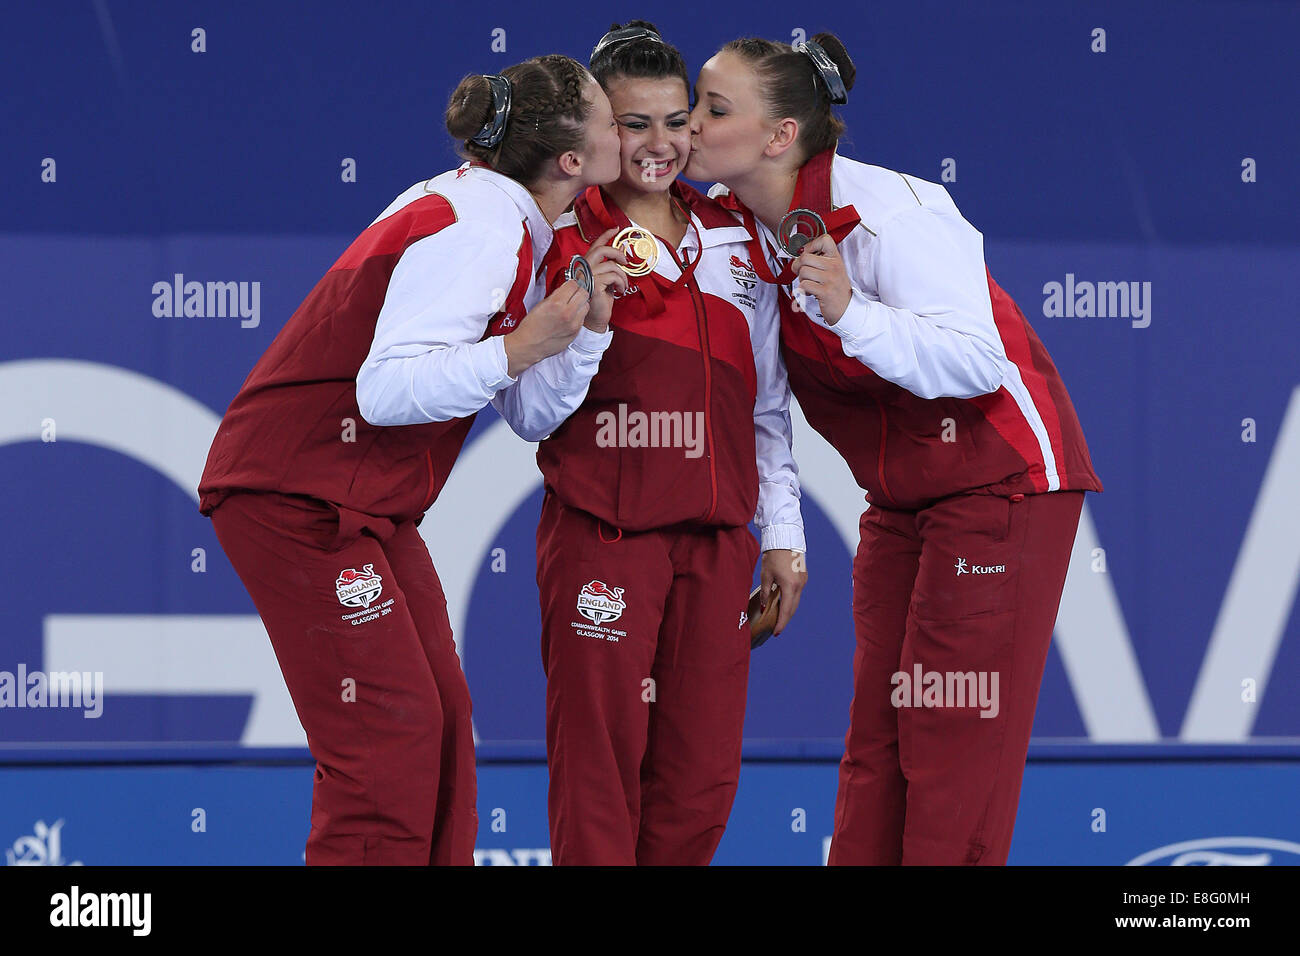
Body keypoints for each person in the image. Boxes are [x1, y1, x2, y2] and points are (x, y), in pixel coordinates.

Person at [196, 54, 624, 865]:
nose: (628, 135)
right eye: (613, 121)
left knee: (441, 725)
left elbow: (530, 413)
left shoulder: (511, 223)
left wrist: (585, 334)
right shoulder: (479, 227)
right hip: (297, 493)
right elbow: (386, 393)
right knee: (385, 736)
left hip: (364, 504)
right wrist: (519, 345)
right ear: (571, 162)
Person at [686, 32, 1103, 865]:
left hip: (1003, 486)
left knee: (953, 737)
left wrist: (849, 310)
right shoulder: (736, 235)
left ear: (779, 137)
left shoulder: (891, 212)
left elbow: (975, 362)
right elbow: (763, 401)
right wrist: (784, 534)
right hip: (902, 500)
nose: (687, 124)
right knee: (878, 732)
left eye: (712, 108)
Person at [507, 22, 806, 865]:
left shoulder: (741, 238)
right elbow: (529, 412)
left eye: (678, 121)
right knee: (600, 774)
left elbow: (767, 407)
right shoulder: (559, 240)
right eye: (635, 124)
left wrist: (781, 535)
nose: (660, 144)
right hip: (603, 540)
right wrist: (590, 322)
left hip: (717, 546)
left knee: (700, 780)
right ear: (600, 130)